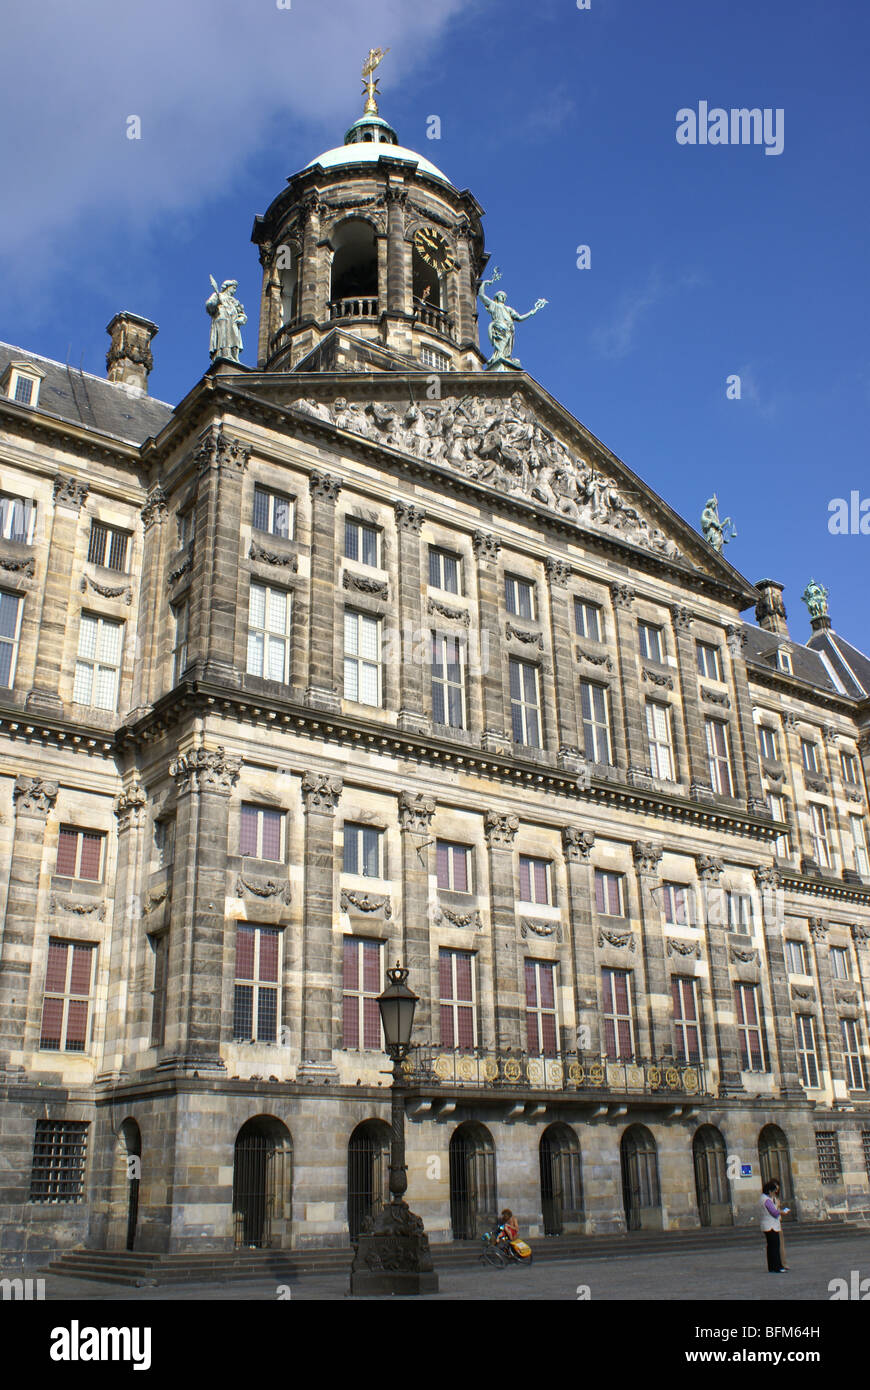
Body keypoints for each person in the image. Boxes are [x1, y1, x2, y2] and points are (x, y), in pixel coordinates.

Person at [760, 1179, 789, 1272]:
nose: (774, 1194)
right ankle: (777, 1266)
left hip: (766, 1225)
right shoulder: (767, 1200)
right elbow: (774, 1213)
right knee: (775, 1247)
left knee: (771, 1247)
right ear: (769, 1191)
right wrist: (782, 1212)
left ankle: (772, 1267)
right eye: (773, 1191)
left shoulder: (762, 1198)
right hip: (771, 1226)